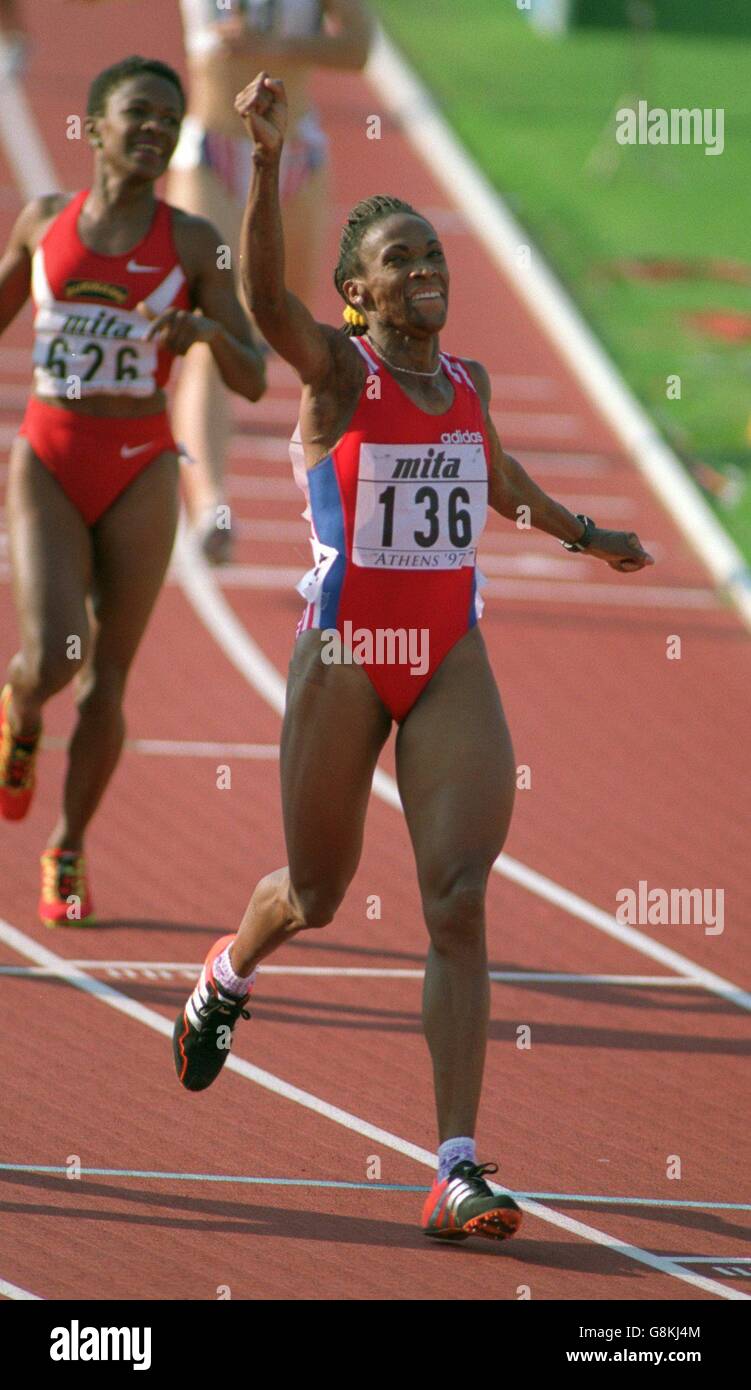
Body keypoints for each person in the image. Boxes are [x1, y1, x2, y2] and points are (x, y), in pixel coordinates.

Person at [173, 73, 654, 1241]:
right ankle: (229, 971)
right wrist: (271, 157)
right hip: (343, 653)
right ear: (356, 294)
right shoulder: (341, 375)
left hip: (446, 655)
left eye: (429, 248)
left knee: (457, 897)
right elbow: (255, 293)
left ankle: (452, 1168)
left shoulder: (468, 386)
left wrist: (587, 537)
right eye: (397, 257)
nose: (423, 265)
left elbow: (496, 481)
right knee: (319, 892)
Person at [0, 55, 265, 926]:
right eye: (138, 115)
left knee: (107, 683)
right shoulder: (44, 224)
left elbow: (255, 376)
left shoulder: (191, 241)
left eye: (168, 120)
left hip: (142, 462)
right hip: (49, 453)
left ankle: (67, 847)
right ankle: (19, 705)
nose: (154, 130)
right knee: (55, 655)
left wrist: (203, 333)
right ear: (91, 129)